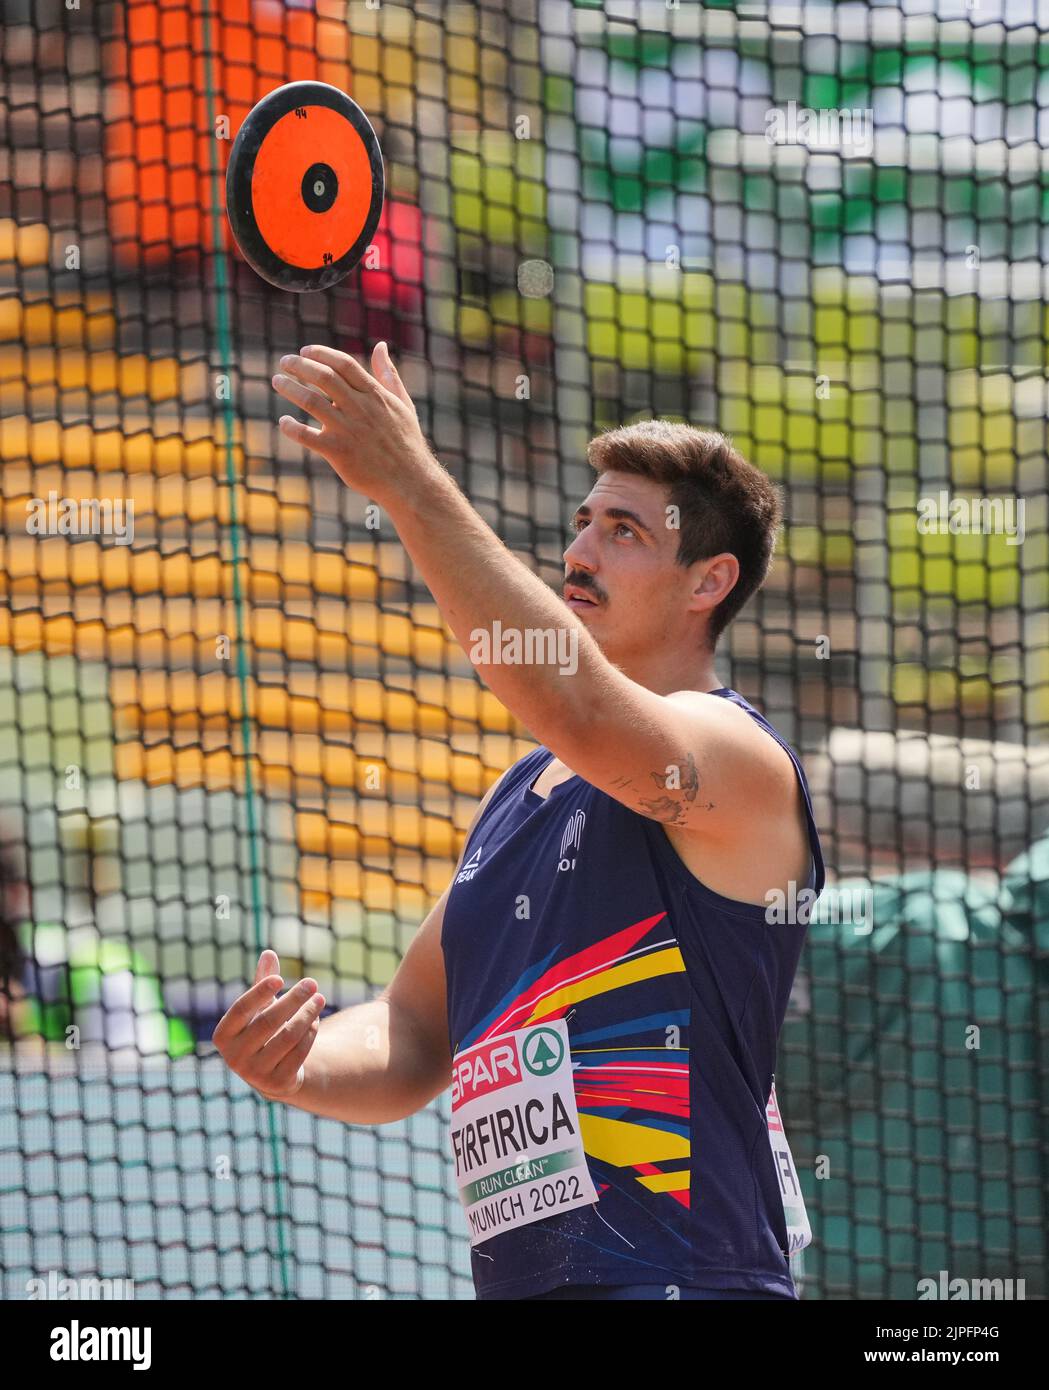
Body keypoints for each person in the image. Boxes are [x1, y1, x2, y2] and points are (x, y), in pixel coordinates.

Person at [213, 342, 826, 1301]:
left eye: (622, 531)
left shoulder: (736, 758)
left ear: (709, 583)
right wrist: (299, 1064)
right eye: (583, 522)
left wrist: (411, 483)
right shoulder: (522, 794)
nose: (578, 551)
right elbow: (415, 1030)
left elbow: (571, 703)